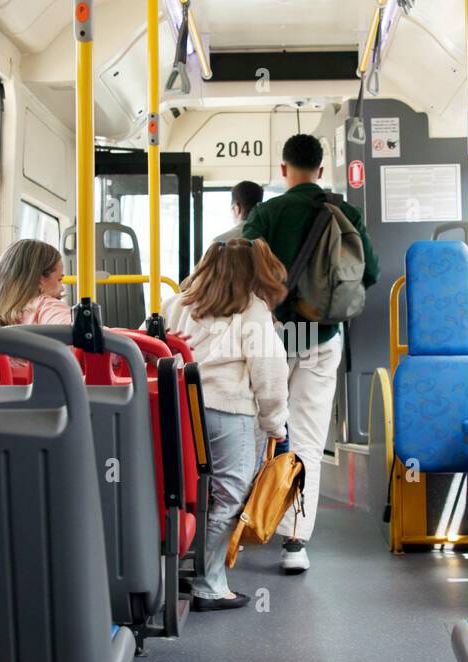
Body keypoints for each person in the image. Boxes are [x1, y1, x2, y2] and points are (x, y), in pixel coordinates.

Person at [242, 133, 379, 573]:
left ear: (284, 169)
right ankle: (294, 544)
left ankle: (246, 524)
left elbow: (242, 273)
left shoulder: (265, 213)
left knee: (262, 430)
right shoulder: (345, 212)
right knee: (306, 437)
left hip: (274, 336)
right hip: (321, 336)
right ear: (321, 170)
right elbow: (369, 272)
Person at [161, 238, 290, 611]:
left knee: (182, 492)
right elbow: (269, 374)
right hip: (228, 413)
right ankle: (208, 584)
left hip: (177, 410)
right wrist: (275, 424)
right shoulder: (252, 310)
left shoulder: (174, 304)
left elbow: (147, 347)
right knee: (229, 496)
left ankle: (177, 572)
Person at [0, 238, 71, 327]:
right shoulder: (46, 306)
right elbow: (78, 339)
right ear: (39, 280)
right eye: (59, 280)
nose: (62, 288)